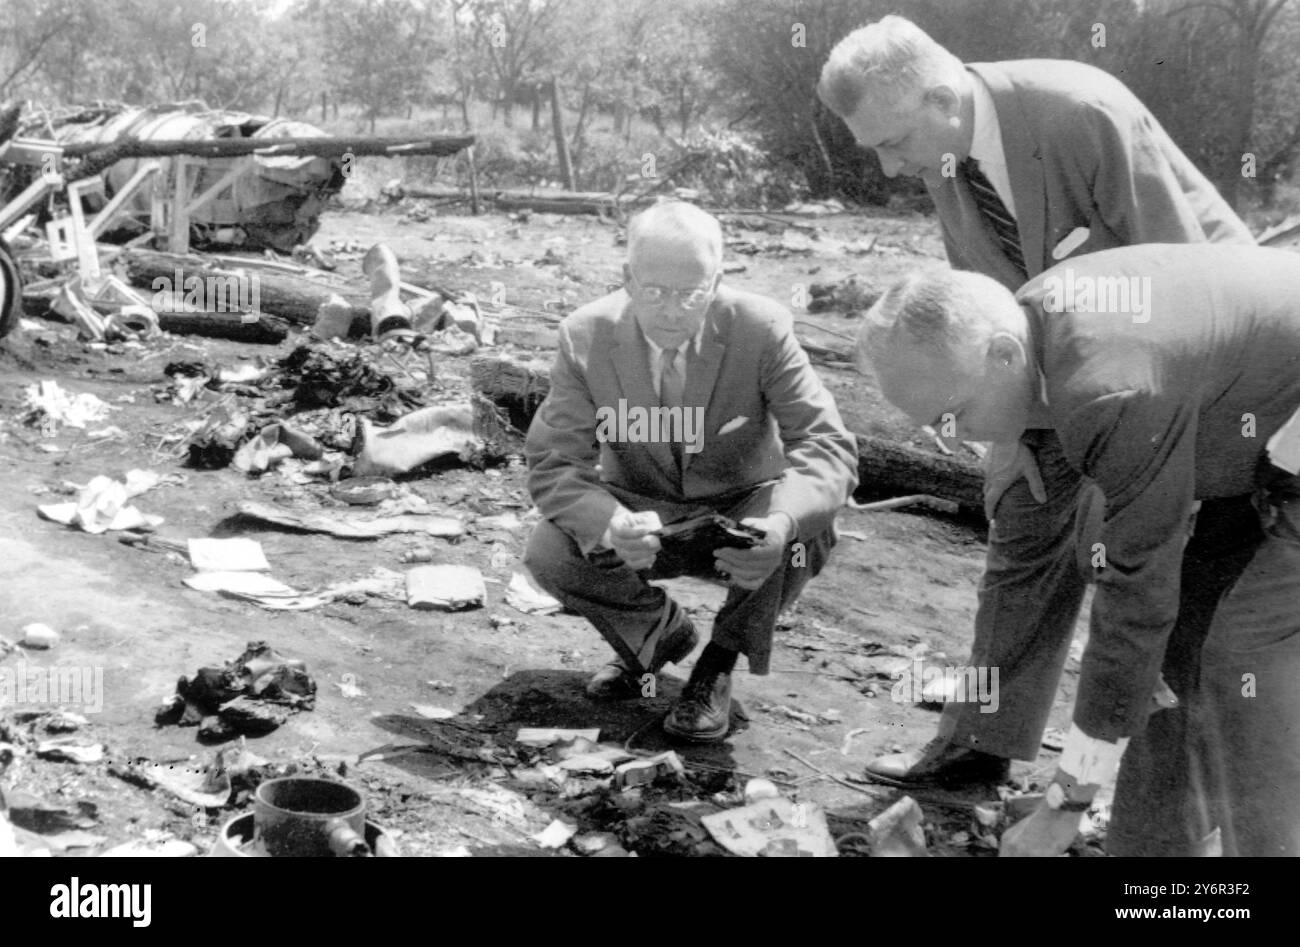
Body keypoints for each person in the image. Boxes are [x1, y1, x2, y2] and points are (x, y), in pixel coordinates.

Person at [817, 15, 1255, 789]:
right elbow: (974, 298)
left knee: (1155, 570)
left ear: (942, 97)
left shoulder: (1082, 113)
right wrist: (1008, 434)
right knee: (1023, 515)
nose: (888, 170)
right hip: (1041, 357)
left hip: (1184, 369)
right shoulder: (944, 154)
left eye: (890, 143)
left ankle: (1144, 798)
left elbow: (1187, 272)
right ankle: (980, 742)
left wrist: (1157, 453)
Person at [855, 244, 1300, 856]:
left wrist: (1065, 803)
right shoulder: (1038, 317)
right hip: (1257, 436)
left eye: (953, 416)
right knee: (1173, 667)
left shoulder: (1106, 386)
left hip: (1286, 447)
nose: (952, 439)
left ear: (1004, 356)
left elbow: (1135, 604)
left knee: (1241, 663)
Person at [523, 201, 858, 742]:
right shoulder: (585, 335)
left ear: (717, 280)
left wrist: (782, 526)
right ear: (628, 279)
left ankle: (716, 665)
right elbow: (555, 459)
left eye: (690, 292)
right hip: (639, 514)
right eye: (654, 291)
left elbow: (824, 442)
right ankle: (657, 640)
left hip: (739, 514)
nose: (672, 310)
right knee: (549, 551)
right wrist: (610, 523)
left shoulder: (761, 328)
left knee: (808, 534)